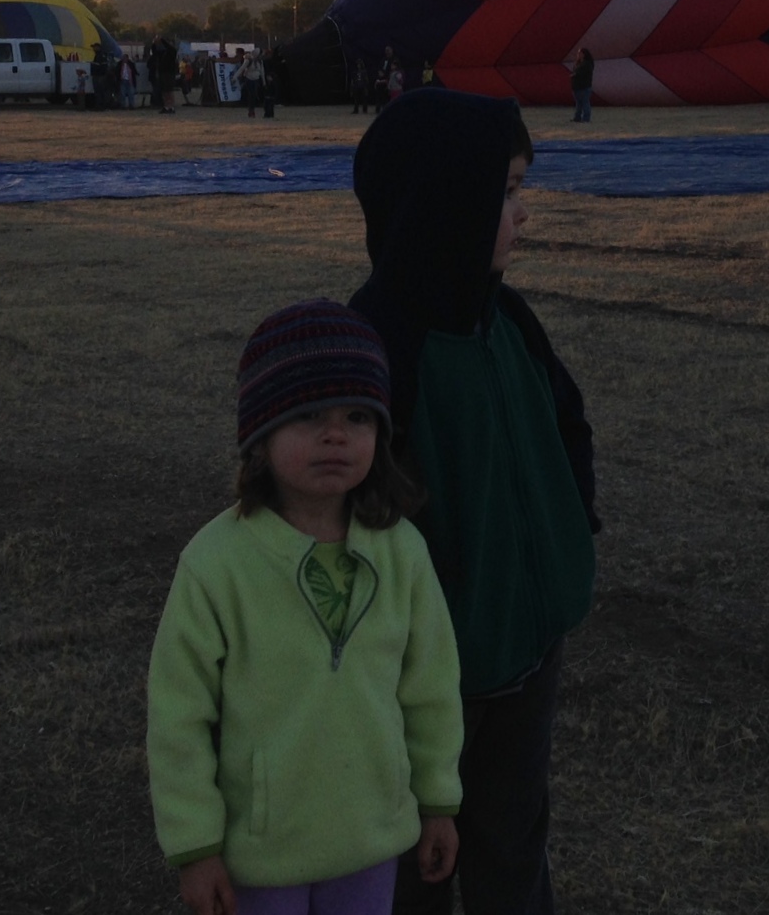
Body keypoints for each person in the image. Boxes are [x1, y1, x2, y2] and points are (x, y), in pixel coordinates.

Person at [348, 90, 598, 915]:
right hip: (429, 676)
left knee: (513, 838)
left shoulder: (509, 318)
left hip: (527, 645)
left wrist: (568, 540)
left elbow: (566, 429)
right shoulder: (379, 346)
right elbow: (347, 517)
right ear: (446, 196)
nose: (524, 216)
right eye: (510, 190)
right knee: (416, 857)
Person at [149, 300, 463, 915]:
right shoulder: (216, 564)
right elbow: (176, 716)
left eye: (357, 416)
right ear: (260, 437)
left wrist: (438, 802)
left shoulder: (403, 554)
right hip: (260, 855)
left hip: (372, 840)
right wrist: (194, 845)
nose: (336, 435)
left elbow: (431, 689)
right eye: (309, 415)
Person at [569, 48, 594, 123]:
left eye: (580, 53)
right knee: (578, 103)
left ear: (584, 54)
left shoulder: (587, 64)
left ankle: (586, 118)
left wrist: (575, 75)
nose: (578, 55)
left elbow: (583, 74)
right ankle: (577, 117)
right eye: (578, 53)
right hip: (577, 87)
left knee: (585, 103)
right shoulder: (579, 63)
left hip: (584, 87)